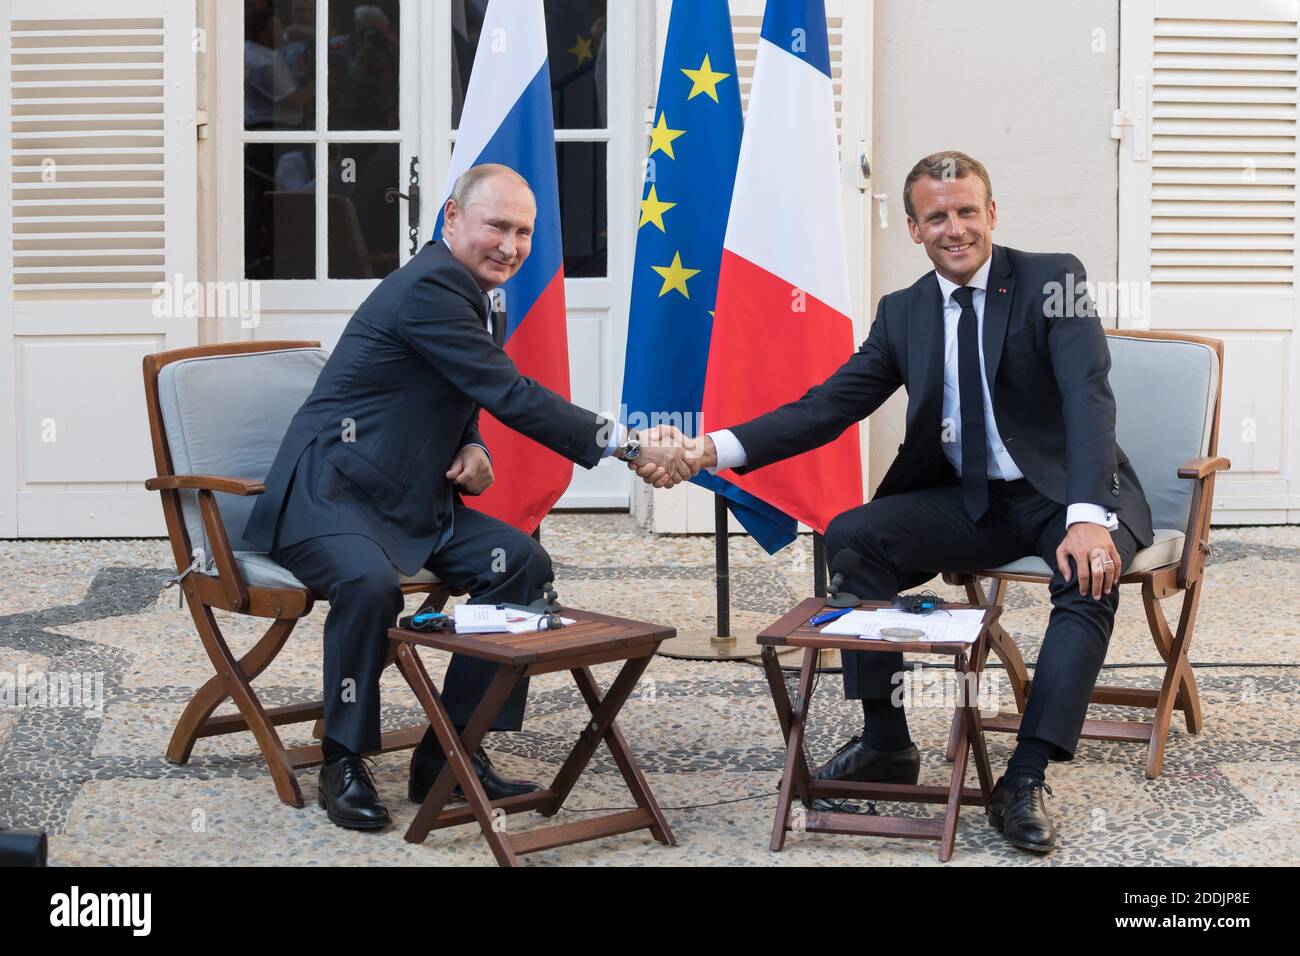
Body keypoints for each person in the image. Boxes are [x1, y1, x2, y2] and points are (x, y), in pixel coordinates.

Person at [654, 151, 1154, 854]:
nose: (956, 228)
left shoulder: (1052, 279)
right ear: (915, 229)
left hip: (1064, 491)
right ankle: (887, 741)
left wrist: (1087, 519)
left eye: (967, 211)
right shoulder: (905, 312)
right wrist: (712, 450)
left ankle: (1025, 774)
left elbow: (1087, 399)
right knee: (853, 536)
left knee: (1087, 576)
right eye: (937, 217)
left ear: (992, 214)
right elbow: (826, 407)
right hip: (973, 501)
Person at [243, 163, 691, 830]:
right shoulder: (429, 287)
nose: (510, 246)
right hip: (331, 495)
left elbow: (468, 388)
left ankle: (449, 750)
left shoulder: (478, 291)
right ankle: (342, 757)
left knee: (522, 565)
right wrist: (627, 446)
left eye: (523, 232)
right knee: (370, 587)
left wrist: (474, 442)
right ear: (451, 219)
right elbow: (511, 391)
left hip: (411, 496)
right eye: (495, 226)